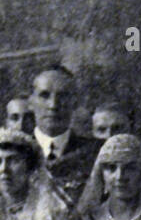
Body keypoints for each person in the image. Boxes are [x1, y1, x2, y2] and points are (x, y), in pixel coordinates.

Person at [30, 66, 101, 203]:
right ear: (31, 102)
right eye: (44, 95)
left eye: (63, 96)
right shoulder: (15, 154)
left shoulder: (96, 153)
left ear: (74, 102)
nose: (53, 105)